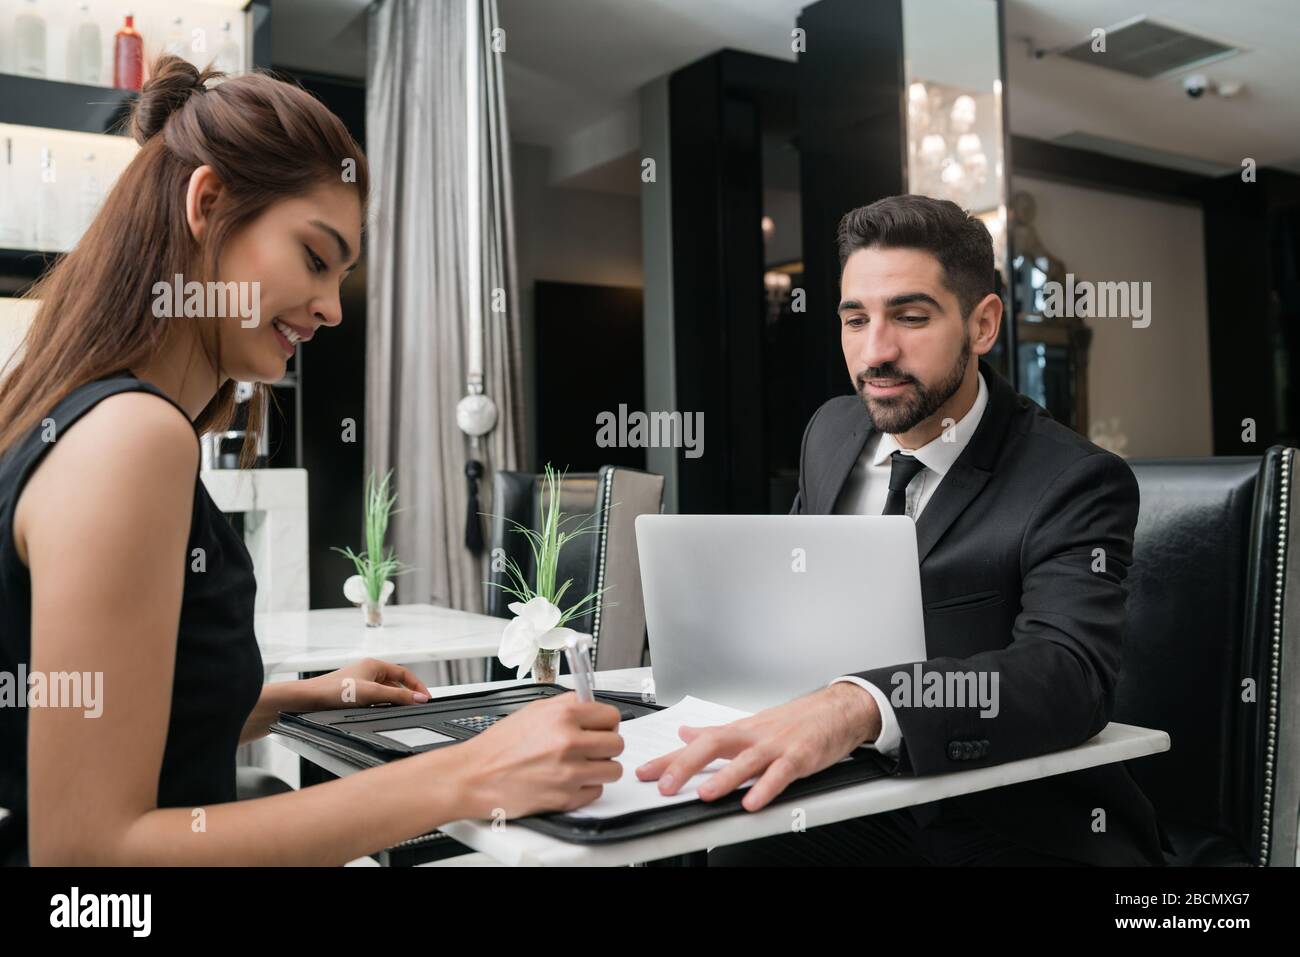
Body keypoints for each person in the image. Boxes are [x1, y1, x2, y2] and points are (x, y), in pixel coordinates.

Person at [0, 56, 622, 867]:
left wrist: (306, 696)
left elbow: (128, 717)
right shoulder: (130, 439)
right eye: (316, 257)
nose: (331, 307)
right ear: (208, 203)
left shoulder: (80, 417)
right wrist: (467, 776)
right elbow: (88, 859)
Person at [637, 195, 1166, 866]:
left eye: (911, 317)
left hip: (1010, 818)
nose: (875, 351)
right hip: (845, 790)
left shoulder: (1075, 479)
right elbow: (800, 600)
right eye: (855, 319)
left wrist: (862, 706)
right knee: (692, 835)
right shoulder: (831, 432)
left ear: (982, 324)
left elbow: (1067, 674)